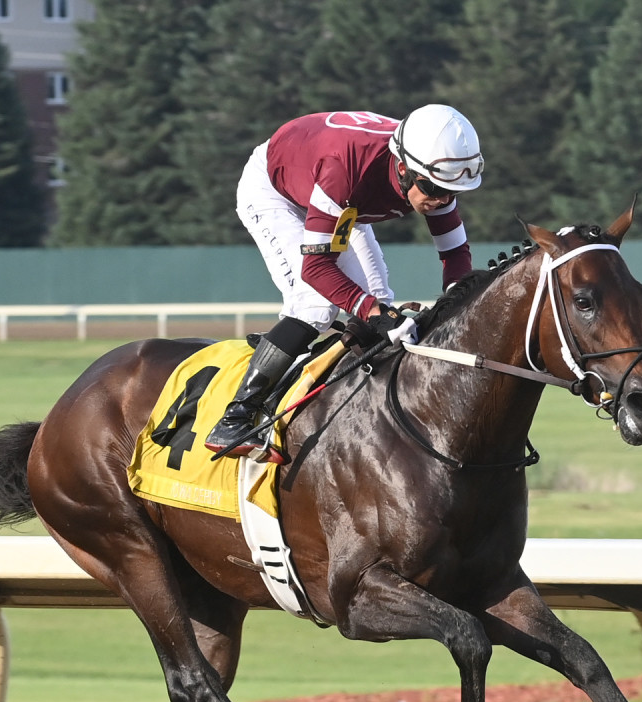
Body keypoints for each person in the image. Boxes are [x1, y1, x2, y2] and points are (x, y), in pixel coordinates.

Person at [203, 104, 484, 461]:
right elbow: (316, 269)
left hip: (338, 199)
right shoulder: (349, 169)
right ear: (403, 168)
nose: (441, 200)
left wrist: (456, 305)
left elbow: (456, 256)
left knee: (381, 300)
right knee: (316, 306)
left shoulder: (434, 169)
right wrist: (372, 311)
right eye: (432, 188)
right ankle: (236, 416)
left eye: (452, 192)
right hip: (280, 191)